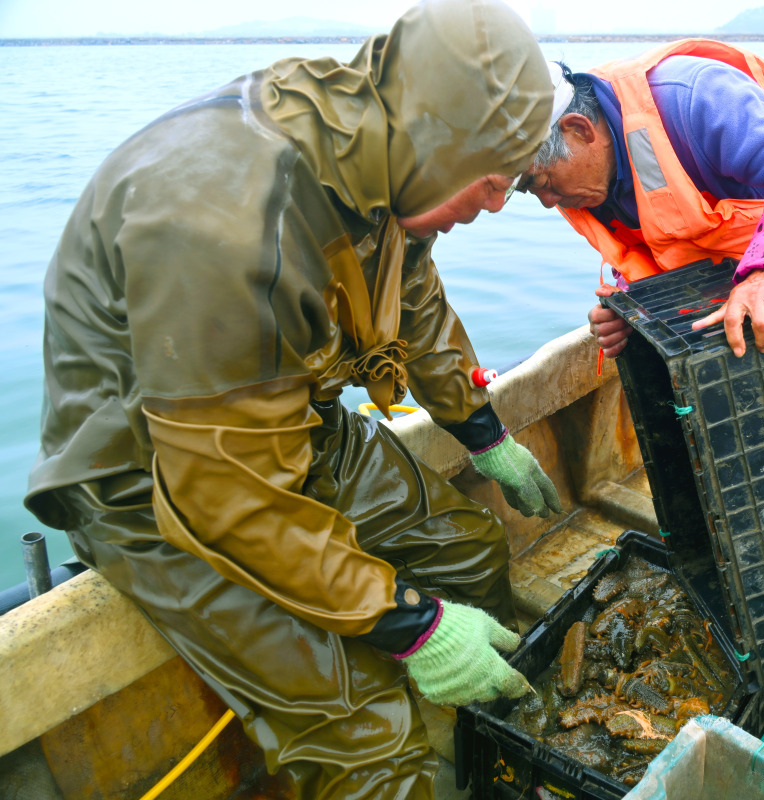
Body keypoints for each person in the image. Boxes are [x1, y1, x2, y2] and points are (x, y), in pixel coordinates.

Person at [24, 1, 565, 797]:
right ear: (437, 143)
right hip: (153, 482)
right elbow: (226, 495)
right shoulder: (228, 220)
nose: (493, 203)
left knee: (470, 549)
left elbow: (411, 296)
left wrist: (483, 432)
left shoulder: (385, 157)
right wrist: (414, 626)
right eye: (489, 180)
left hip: (289, 421)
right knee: (366, 734)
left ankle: (491, 728)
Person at [515, 41, 764, 448]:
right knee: (728, 441)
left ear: (579, 130)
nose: (547, 200)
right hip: (707, 299)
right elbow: (656, 244)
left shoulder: (694, 96)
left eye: (540, 181)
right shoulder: (581, 183)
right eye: (530, 190)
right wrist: (634, 311)